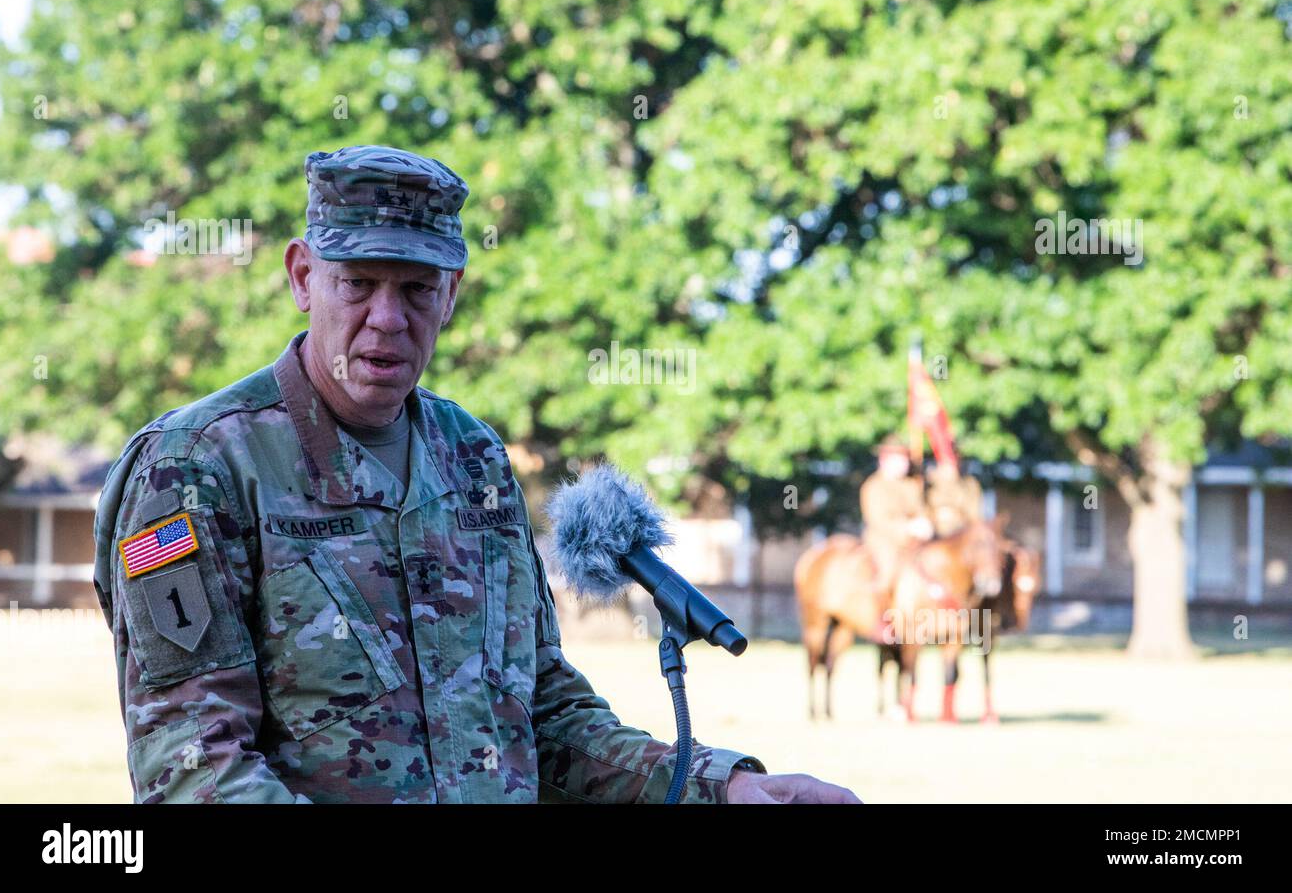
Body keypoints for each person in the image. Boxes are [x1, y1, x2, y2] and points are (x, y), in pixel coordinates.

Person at [92, 145, 858, 804]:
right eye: (357, 283)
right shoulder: (193, 469)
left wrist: (721, 787)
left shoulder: (475, 459)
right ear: (302, 277)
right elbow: (193, 768)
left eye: (417, 289)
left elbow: (545, 716)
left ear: (451, 294)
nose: (388, 318)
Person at [858, 436, 932, 598]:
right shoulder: (874, 486)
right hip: (884, 540)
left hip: (914, 541)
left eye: (905, 459)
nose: (904, 464)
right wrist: (907, 528)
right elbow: (878, 520)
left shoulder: (911, 485)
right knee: (888, 569)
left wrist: (925, 523)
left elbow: (920, 510)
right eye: (899, 459)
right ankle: (881, 607)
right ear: (884, 460)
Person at [926, 460, 983, 537]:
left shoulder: (968, 484)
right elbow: (927, 508)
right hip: (937, 529)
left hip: (960, 528)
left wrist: (956, 514)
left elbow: (973, 514)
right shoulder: (933, 487)